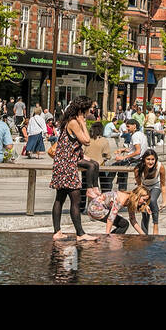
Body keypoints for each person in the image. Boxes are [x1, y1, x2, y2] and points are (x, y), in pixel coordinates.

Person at [50, 96, 97, 240]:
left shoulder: (70, 121)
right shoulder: (74, 122)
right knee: (75, 200)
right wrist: (83, 123)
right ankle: (80, 234)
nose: (92, 110)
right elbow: (87, 141)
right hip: (67, 165)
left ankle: (57, 232)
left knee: (60, 198)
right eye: (90, 107)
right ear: (83, 109)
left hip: (64, 163)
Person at [135, 149, 166, 233]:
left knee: (152, 200)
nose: (150, 162)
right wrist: (143, 201)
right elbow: (139, 186)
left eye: (152, 159)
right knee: (145, 210)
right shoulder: (138, 169)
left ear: (156, 159)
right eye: (148, 159)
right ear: (144, 160)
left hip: (155, 186)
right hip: (144, 187)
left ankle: (155, 225)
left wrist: (164, 201)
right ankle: (144, 233)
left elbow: (163, 185)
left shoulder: (160, 167)